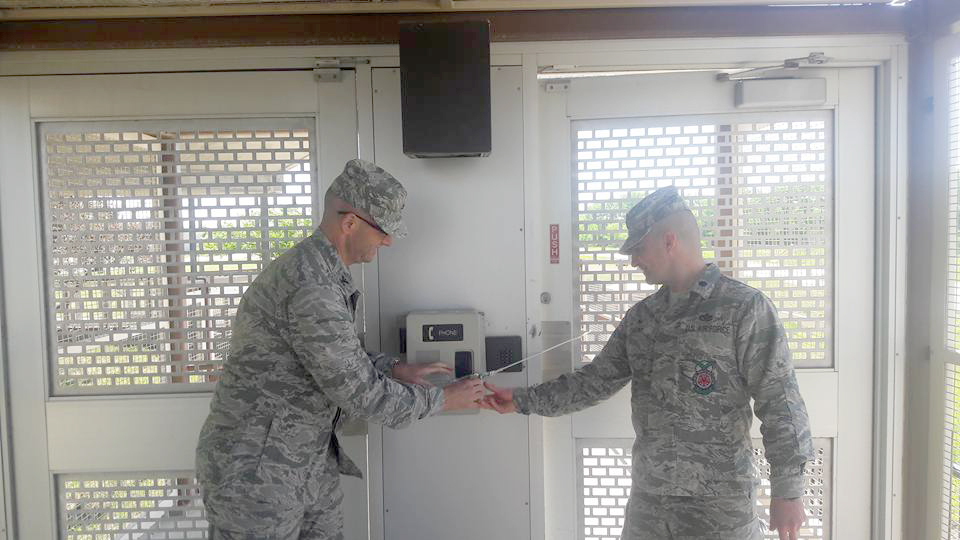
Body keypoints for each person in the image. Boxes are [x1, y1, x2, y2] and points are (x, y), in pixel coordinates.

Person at [484, 186, 815, 540]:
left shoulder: (743, 308)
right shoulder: (643, 318)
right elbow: (594, 381)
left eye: (638, 249)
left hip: (720, 507)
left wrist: (788, 490)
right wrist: (521, 400)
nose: (633, 260)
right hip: (650, 504)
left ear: (668, 240)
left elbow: (780, 401)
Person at [196, 158, 485, 539]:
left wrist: (393, 368)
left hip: (305, 460)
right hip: (257, 471)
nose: (389, 241)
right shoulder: (310, 284)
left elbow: (331, 356)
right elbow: (360, 394)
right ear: (349, 223)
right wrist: (444, 400)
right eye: (383, 231)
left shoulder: (324, 275)